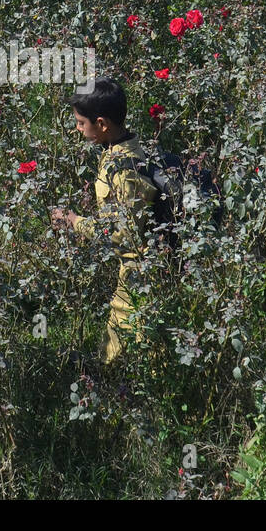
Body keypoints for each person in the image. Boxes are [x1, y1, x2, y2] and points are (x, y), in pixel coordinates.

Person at [50, 78, 160, 367]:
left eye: (80, 123)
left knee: (124, 345)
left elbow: (120, 235)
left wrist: (74, 222)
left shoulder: (123, 170)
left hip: (139, 270)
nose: (77, 129)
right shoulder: (129, 147)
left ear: (101, 123)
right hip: (143, 267)